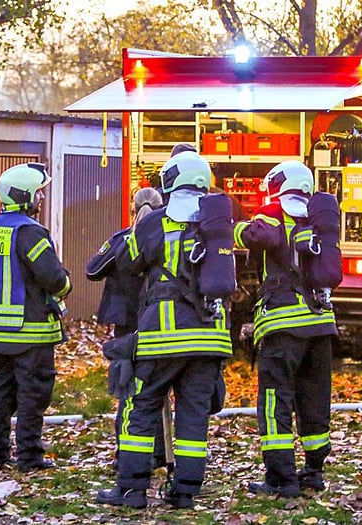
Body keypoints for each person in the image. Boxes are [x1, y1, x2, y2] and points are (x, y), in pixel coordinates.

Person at [96, 151, 233, 510]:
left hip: (162, 337)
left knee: (140, 410)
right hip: (211, 337)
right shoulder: (218, 222)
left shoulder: (155, 223)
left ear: (170, 181)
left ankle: (131, 489)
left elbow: (129, 262)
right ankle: (184, 491)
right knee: (193, 415)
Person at [235, 160, 337, 498]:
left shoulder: (274, 210)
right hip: (321, 324)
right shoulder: (319, 217)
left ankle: (280, 478)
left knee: (274, 399)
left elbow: (256, 235)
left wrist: (231, 226)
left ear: (280, 182)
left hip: (284, 325)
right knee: (314, 398)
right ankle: (314, 471)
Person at [0, 162, 71, 473]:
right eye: (39, 194)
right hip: (29, 329)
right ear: (26, 196)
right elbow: (53, 278)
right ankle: (30, 457)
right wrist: (66, 283)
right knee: (33, 393)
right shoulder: (30, 232)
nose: (41, 200)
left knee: (1, 393)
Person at [86, 187, 166, 470]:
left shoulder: (123, 240)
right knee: (158, 389)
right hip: (159, 323)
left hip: (127, 329)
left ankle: (127, 453)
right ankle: (160, 453)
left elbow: (93, 269)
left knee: (128, 389)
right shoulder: (165, 242)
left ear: (133, 210)